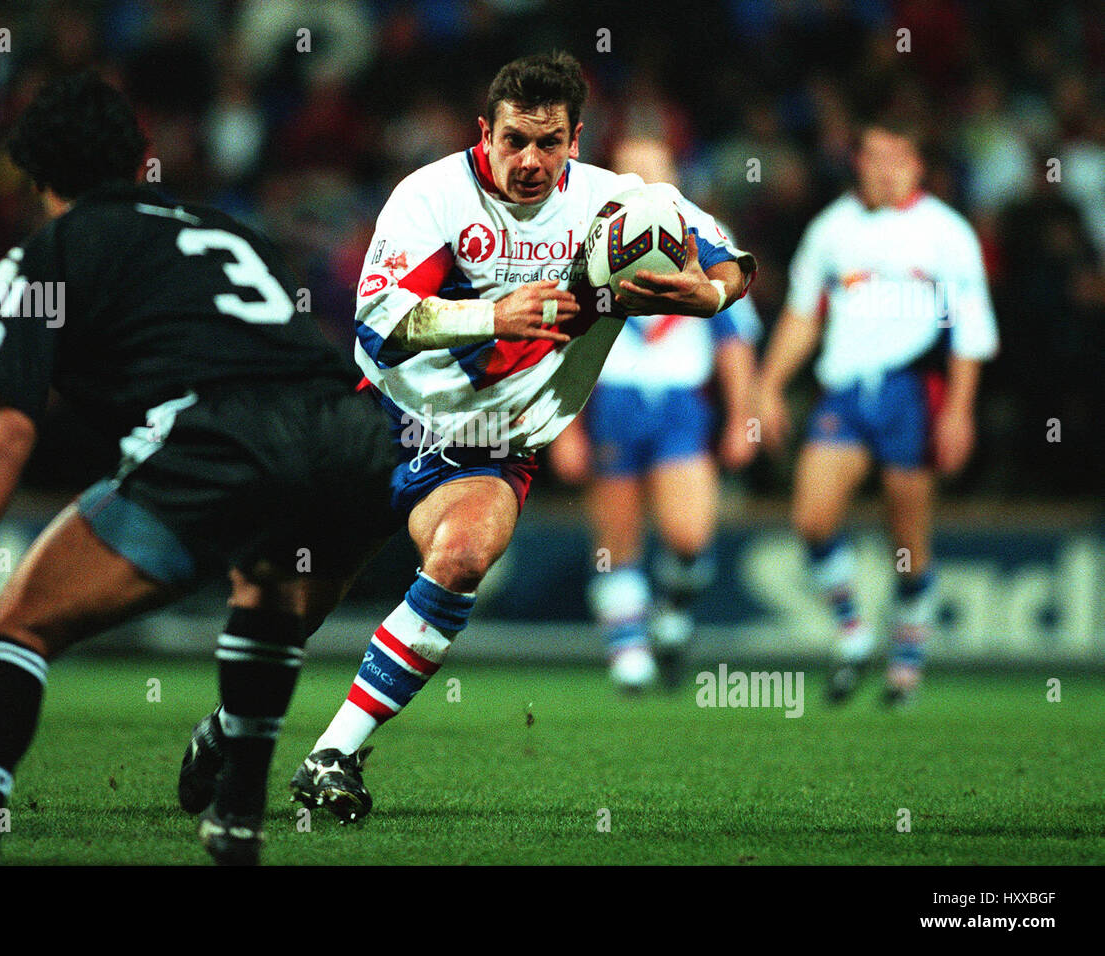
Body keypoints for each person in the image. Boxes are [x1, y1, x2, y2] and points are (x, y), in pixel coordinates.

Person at [180, 51, 755, 823]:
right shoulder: (430, 196)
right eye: (514, 139)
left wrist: (710, 292)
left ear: (576, 140)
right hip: (381, 421)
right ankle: (226, 728)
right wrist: (492, 313)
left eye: (549, 143)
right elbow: (378, 322)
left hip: (490, 445)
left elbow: (732, 265)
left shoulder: (621, 208)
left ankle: (333, 754)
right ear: (485, 129)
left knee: (461, 557)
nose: (529, 160)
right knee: (295, 608)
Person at [0, 71, 396, 866]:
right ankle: (236, 820)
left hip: (222, 437)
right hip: (352, 439)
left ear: (34, 177)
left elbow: (3, 422)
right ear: (143, 155)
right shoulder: (234, 231)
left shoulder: (51, 251)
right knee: (266, 587)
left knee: (15, 625)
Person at [756, 121, 998, 705]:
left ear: (917, 165)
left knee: (907, 536)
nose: (886, 168)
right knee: (812, 518)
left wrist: (960, 412)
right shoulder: (833, 228)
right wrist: (767, 386)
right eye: (875, 156)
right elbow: (803, 313)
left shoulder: (946, 232)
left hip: (911, 390)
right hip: (844, 388)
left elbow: (969, 331)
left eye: (899, 156)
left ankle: (907, 661)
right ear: (857, 161)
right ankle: (854, 635)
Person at [551, 139, 761, 691]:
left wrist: (744, 415)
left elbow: (732, 339)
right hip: (612, 399)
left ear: (674, 175)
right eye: (631, 166)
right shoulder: (587, 240)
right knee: (616, 535)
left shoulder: (703, 239)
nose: (642, 176)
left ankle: (670, 611)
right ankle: (628, 655)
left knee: (689, 536)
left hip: (679, 403)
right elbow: (562, 344)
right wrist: (562, 428)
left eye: (655, 166)